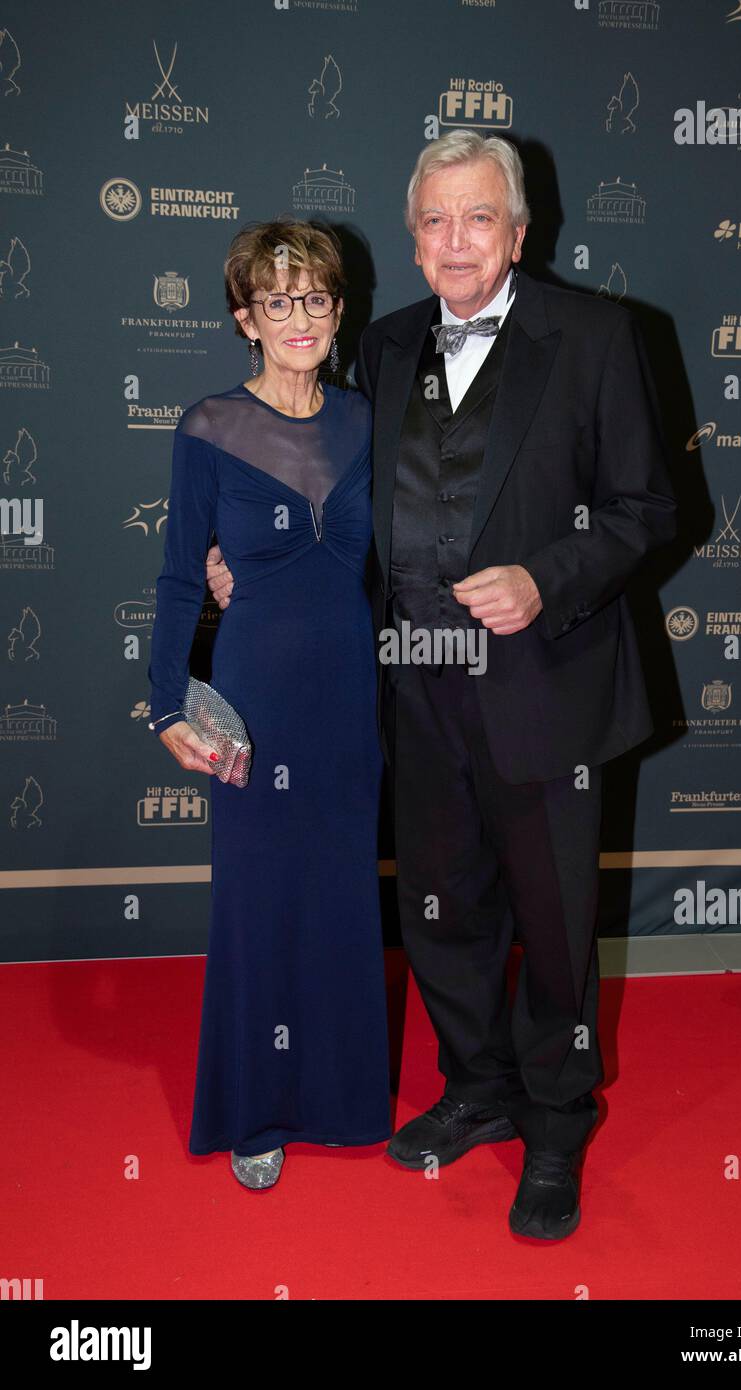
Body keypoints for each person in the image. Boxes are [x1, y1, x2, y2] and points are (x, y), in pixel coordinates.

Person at [205, 132, 677, 1238]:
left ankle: (555, 1123)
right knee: (442, 908)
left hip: (544, 687)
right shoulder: (381, 345)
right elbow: (332, 503)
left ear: (518, 232)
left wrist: (544, 577)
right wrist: (249, 569)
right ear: (411, 238)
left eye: (478, 218)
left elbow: (647, 511)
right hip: (411, 687)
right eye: (434, 220)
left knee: (555, 926)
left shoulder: (600, 337)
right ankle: (476, 1085)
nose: (454, 240)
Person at [147, 219, 391, 1190]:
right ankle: (255, 1108)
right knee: (256, 904)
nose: (299, 317)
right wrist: (166, 706)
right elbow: (175, 578)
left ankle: (339, 1099)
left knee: (337, 900)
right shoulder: (208, 427)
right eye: (277, 300)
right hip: (253, 696)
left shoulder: (366, 421)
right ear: (245, 317)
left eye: (315, 298)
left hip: (344, 696)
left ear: (337, 311)